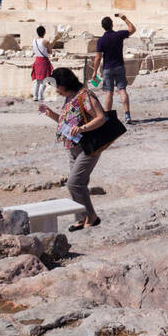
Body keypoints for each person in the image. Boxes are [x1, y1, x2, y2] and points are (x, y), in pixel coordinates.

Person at [37, 67, 107, 230]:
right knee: (79, 184)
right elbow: (66, 123)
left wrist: (83, 128)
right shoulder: (68, 97)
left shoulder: (85, 96)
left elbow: (101, 118)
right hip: (72, 147)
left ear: (65, 83)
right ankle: (82, 218)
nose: (56, 90)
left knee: (73, 184)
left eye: (57, 86)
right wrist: (50, 113)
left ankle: (92, 216)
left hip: (88, 147)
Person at [92, 14, 136, 125]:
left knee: (109, 92)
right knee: (122, 90)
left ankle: (107, 118)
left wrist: (94, 72)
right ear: (112, 25)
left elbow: (98, 57)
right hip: (119, 66)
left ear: (103, 27)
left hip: (107, 68)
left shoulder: (101, 40)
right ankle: (127, 115)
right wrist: (124, 18)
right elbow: (132, 29)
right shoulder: (118, 35)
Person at [30, 25, 54, 102]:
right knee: (44, 80)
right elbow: (50, 51)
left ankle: (35, 96)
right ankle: (40, 96)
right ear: (44, 32)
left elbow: (34, 51)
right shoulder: (46, 41)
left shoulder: (34, 41)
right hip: (43, 61)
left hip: (37, 61)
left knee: (37, 81)